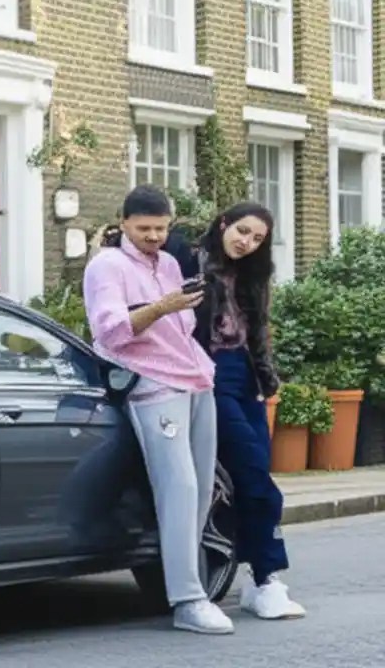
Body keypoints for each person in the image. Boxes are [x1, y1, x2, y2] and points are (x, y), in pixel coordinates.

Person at [82, 185, 232, 635]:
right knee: (180, 489)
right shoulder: (106, 266)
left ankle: (194, 586)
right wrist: (162, 307)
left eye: (161, 228)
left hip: (194, 377)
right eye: (144, 228)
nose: (153, 236)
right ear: (124, 223)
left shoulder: (168, 263)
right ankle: (187, 599)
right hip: (151, 384)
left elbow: (182, 326)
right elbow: (110, 331)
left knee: (203, 488)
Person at [184, 201, 305, 620]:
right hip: (207, 377)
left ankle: (258, 580)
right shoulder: (191, 262)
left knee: (255, 477)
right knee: (255, 478)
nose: (246, 242)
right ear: (223, 223)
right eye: (242, 231)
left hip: (246, 381)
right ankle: (267, 578)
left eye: (257, 239)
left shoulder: (253, 276)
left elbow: (258, 332)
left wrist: (267, 381)